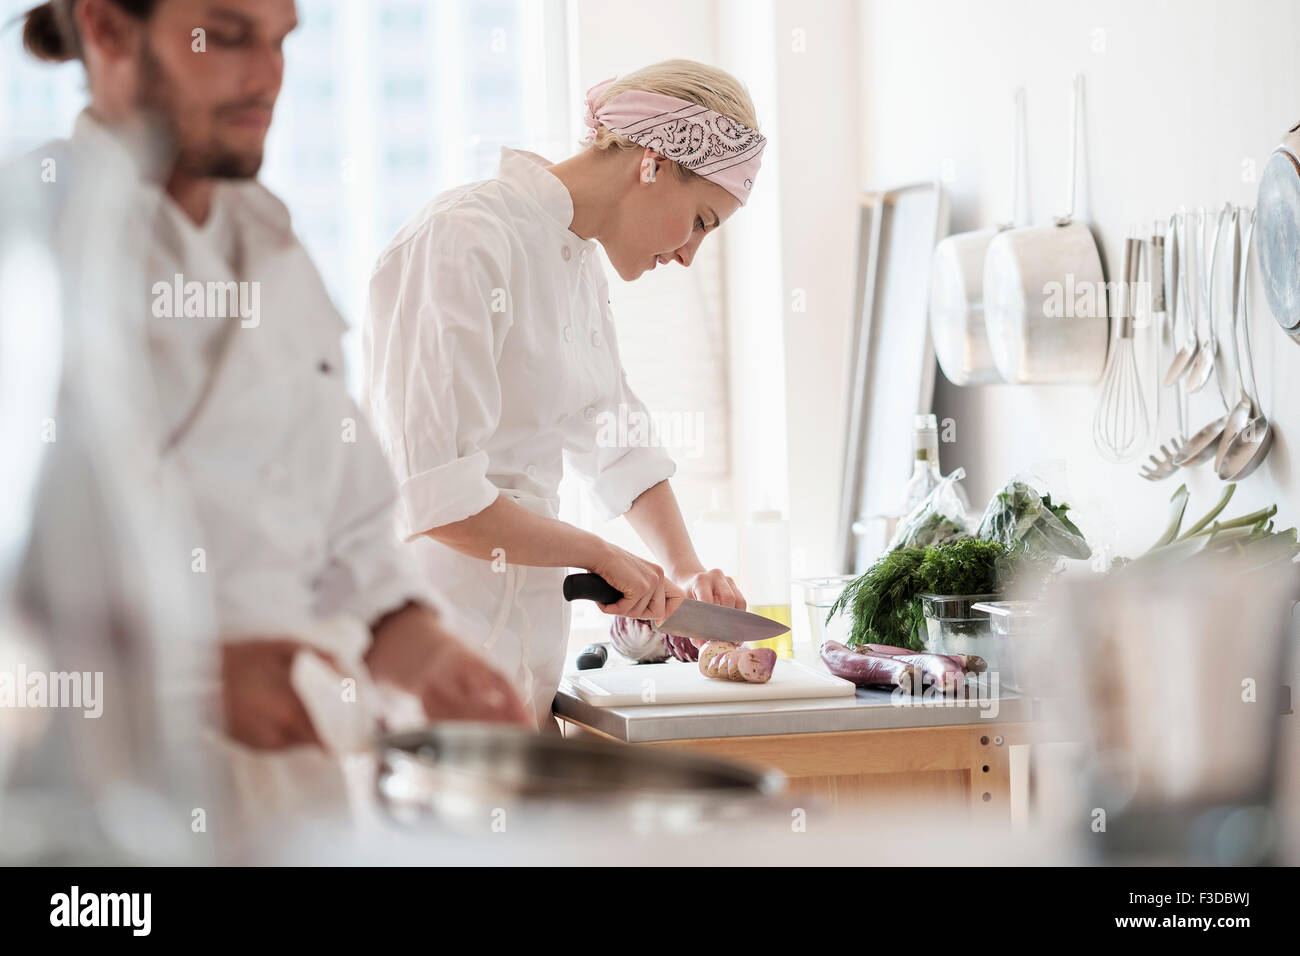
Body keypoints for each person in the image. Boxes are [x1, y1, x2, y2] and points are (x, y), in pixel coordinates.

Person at [15, 0, 533, 768]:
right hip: (94, 813)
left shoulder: (276, 247)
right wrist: (194, 682)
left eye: (280, 41)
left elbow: (348, 533)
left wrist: (423, 656)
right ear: (108, 29)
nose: (268, 78)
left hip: (297, 805)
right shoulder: (26, 239)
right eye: (224, 37)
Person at [364, 60, 767, 725]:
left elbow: (613, 436)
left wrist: (685, 569)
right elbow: (439, 499)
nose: (691, 254)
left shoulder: (577, 265)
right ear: (654, 162)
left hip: (521, 672)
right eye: (700, 220)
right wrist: (598, 553)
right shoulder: (461, 241)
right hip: (421, 674)